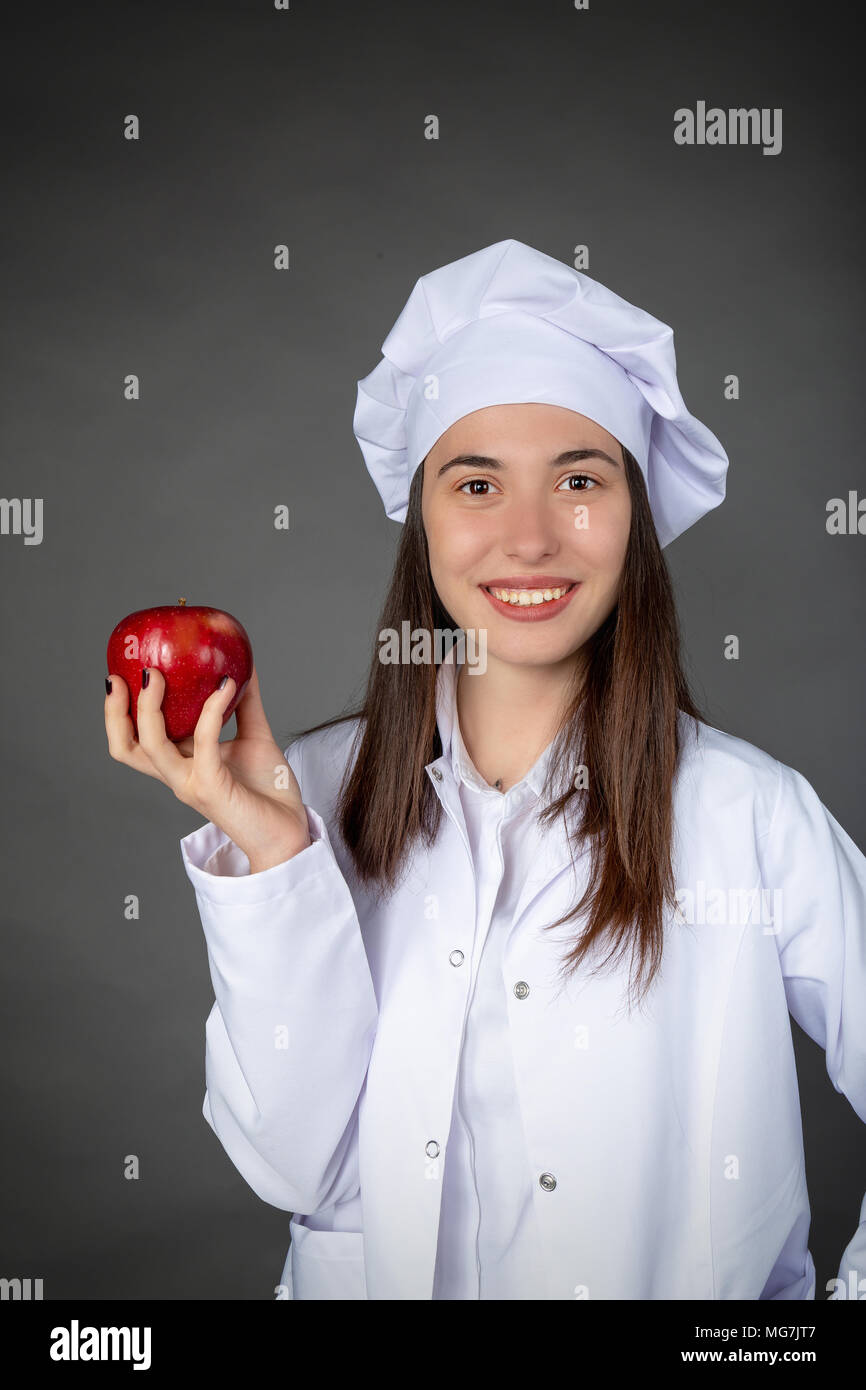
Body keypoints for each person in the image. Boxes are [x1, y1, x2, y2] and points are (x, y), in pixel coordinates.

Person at [104, 239, 866, 1300]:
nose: (528, 536)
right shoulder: (306, 794)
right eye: (474, 483)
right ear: (421, 521)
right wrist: (278, 847)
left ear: (635, 515)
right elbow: (294, 1167)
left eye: (578, 479)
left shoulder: (751, 816)